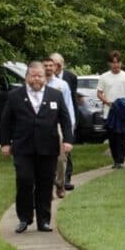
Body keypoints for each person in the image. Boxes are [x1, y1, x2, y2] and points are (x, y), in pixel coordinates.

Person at [0, 61, 73, 233]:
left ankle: (44, 220)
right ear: (27, 77)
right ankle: (24, 218)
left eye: (39, 75)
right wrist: (5, 143)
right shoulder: (15, 96)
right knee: (24, 180)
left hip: (47, 147)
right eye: (33, 76)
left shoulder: (55, 95)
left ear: (45, 77)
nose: (36, 79)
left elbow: (65, 119)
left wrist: (68, 140)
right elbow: (5, 122)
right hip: (23, 147)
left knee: (45, 183)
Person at [96, 50, 125, 169]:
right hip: (110, 111)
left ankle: (121, 160)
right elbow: (99, 93)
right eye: (113, 63)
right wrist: (108, 102)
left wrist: (124, 102)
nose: (116, 65)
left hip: (122, 112)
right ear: (109, 64)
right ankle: (115, 160)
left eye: (118, 62)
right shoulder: (104, 77)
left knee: (121, 136)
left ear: (121, 63)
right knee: (112, 137)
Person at [43, 56, 75, 199]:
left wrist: (70, 129)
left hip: (59, 125)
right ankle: (46, 187)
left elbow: (68, 107)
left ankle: (60, 184)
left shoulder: (62, 85)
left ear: (56, 67)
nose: (49, 68)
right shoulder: (38, 85)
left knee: (61, 158)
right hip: (43, 126)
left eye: (51, 65)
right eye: (46, 65)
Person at [50, 52, 77, 191]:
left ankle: (62, 182)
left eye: (56, 64)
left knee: (62, 156)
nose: (53, 67)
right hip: (46, 125)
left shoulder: (64, 83)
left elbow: (69, 104)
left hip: (61, 123)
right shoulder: (40, 83)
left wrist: (70, 126)